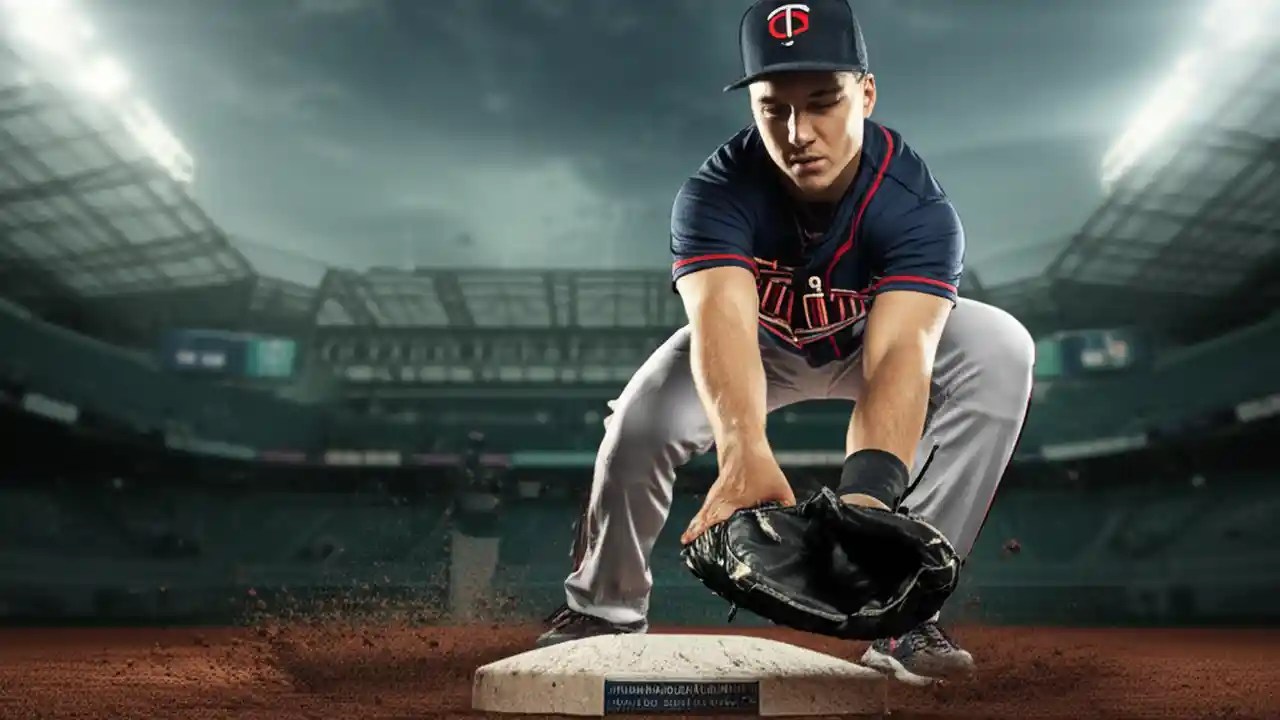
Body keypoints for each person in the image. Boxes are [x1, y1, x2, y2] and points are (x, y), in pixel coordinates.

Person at [537, 0, 1034, 684]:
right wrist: (743, 456)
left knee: (1002, 346)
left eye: (823, 100)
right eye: (774, 107)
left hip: (867, 344)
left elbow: (897, 356)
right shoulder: (715, 193)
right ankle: (603, 609)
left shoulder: (915, 204)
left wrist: (867, 500)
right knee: (640, 422)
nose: (799, 131)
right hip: (760, 346)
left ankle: (906, 616)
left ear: (866, 92)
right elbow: (723, 328)